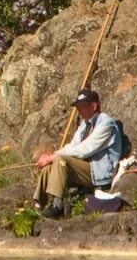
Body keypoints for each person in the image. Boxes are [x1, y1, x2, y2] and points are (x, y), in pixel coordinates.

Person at [31, 88, 123, 218]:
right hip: (85, 168)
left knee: (61, 160)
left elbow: (84, 150)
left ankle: (57, 206)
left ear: (94, 105)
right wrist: (51, 158)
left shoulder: (106, 124)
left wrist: (52, 156)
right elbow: (73, 145)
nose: (79, 110)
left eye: (83, 106)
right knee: (49, 168)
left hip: (99, 173)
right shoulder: (85, 124)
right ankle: (38, 204)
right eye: (78, 107)